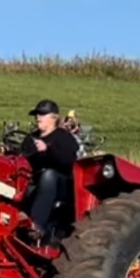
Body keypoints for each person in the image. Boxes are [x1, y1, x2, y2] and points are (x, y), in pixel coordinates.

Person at [20, 99, 81, 242]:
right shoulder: (31, 139)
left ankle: (37, 225)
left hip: (61, 184)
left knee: (49, 176)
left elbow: (68, 162)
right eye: (37, 115)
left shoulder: (63, 137)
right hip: (34, 180)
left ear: (53, 117)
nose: (37, 118)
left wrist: (48, 150)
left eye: (42, 114)